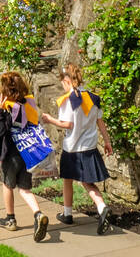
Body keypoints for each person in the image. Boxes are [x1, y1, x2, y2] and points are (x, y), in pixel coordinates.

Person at [39, 64, 113, 235]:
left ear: (67, 81)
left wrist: (50, 119)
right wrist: (107, 141)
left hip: (72, 149)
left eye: (63, 83)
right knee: (87, 182)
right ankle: (96, 208)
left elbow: (68, 124)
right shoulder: (93, 97)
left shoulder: (68, 100)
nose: (62, 87)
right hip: (90, 147)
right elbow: (100, 122)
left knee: (69, 179)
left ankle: (73, 212)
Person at [0, 71, 49, 241]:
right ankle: (38, 213)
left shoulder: (8, 108)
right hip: (27, 154)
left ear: (5, 91)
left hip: (11, 155)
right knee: (25, 189)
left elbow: (0, 131)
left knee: (8, 185)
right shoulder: (27, 103)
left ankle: (10, 219)